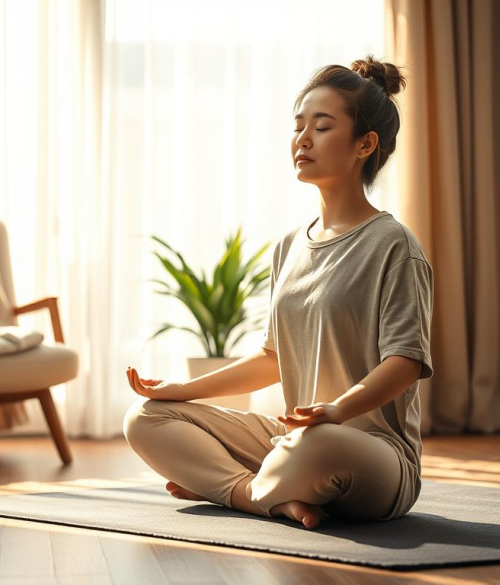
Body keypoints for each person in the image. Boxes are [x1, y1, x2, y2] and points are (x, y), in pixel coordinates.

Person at [122, 55, 434, 530]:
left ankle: (235, 489)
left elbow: (405, 363)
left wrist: (337, 410)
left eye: (322, 127)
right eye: (298, 126)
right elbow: (273, 359)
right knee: (146, 417)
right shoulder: (290, 246)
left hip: (372, 455)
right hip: (294, 440)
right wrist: (182, 391)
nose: (303, 139)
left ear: (365, 143)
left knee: (317, 444)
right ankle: (259, 494)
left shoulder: (394, 245)